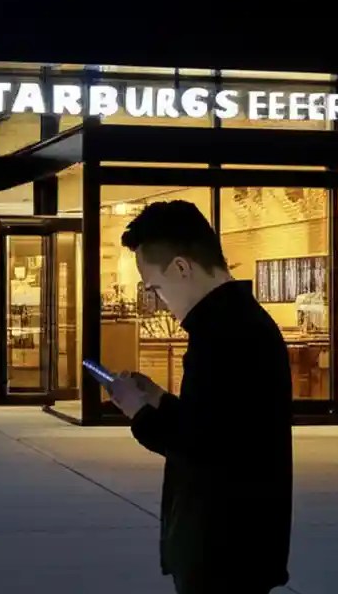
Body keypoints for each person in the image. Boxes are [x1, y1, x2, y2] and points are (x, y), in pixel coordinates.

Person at [106, 200, 293, 594]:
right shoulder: (241, 323)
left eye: (156, 287)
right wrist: (158, 398)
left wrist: (138, 411)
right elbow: (218, 425)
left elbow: (201, 444)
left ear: (181, 267)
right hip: (237, 544)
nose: (160, 302)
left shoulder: (222, 334)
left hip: (223, 546)